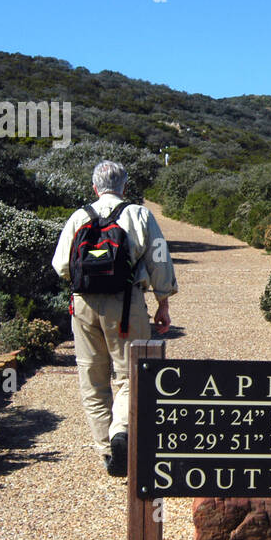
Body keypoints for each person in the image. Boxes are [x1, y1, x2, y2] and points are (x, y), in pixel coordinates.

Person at [51, 160, 177, 476]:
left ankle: (107, 453)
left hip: (82, 305)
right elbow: (159, 259)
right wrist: (163, 301)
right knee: (131, 373)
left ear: (95, 187)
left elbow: (61, 265)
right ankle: (121, 431)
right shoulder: (140, 215)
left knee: (92, 379)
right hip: (126, 304)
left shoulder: (79, 216)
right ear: (124, 186)